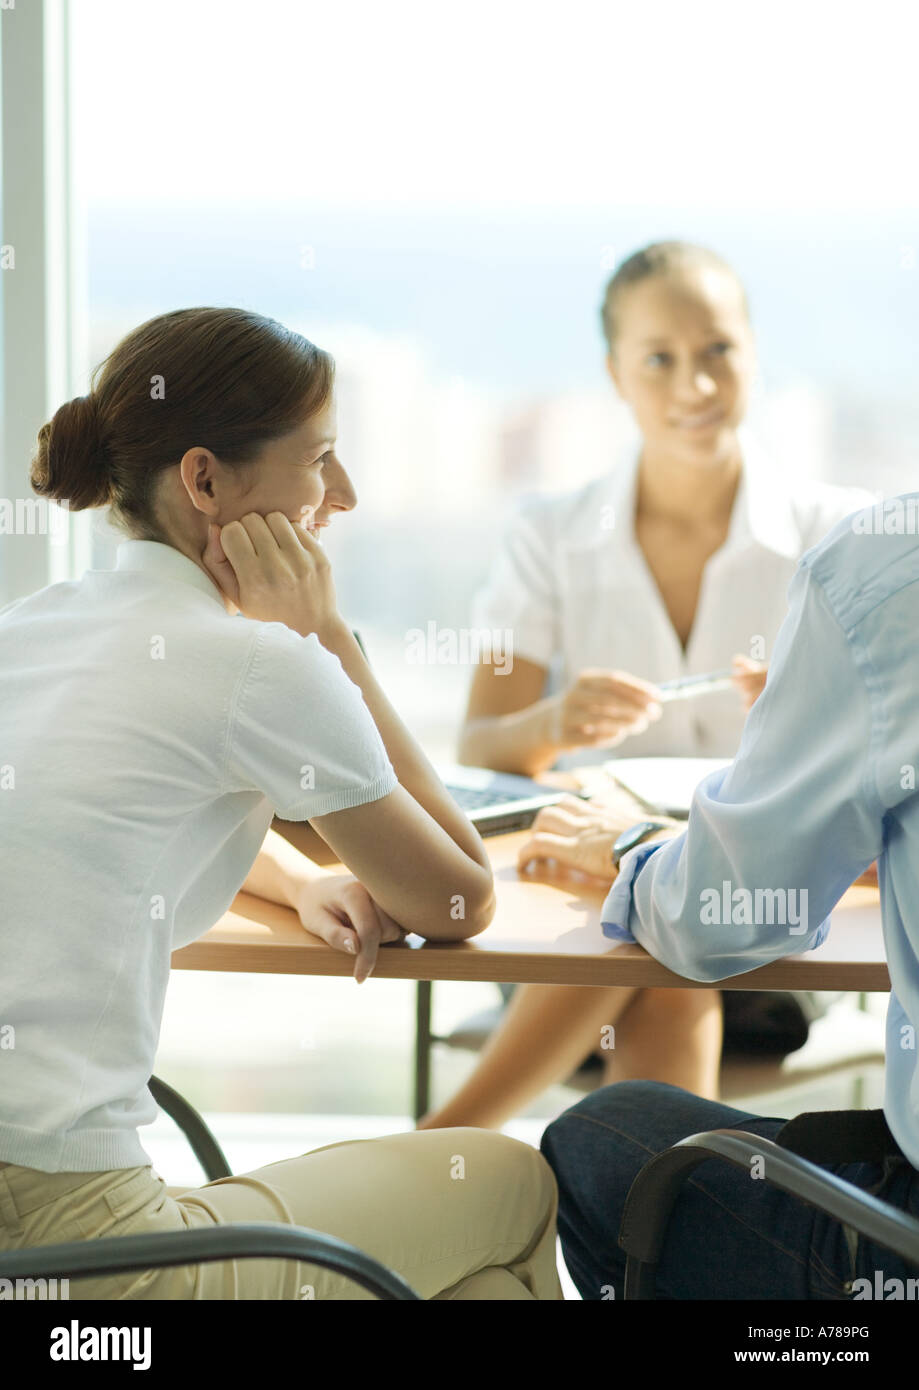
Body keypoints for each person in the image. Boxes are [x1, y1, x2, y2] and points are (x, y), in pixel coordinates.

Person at [0, 306, 562, 1301]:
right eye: (321, 459)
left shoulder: (34, 627)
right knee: (509, 1183)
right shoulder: (260, 664)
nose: (341, 494)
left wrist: (299, 879)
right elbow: (460, 900)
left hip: (25, 1243)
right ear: (206, 480)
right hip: (83, 1248)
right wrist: (329, 638)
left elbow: (93, 819)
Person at [418, 241, 872, 1131]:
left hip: (759, 923)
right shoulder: (549, 534)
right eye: (658, 359)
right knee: (650, 964)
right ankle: (660, 1254)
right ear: (615, 375)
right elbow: (481, 744)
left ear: (754, 352)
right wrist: (553, 719)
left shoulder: (838, 534)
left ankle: (437, 1149)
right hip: (575, 907)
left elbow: (877, 766)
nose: (693, 386)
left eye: (717, 353)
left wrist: (803, 717)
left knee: (667, 974)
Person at [533, 494, 919, 1298]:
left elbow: (719, 918)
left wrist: (624, 848)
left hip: (902, 1253)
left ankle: (439, 1140)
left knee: (600, 1140)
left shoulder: (883, 566)